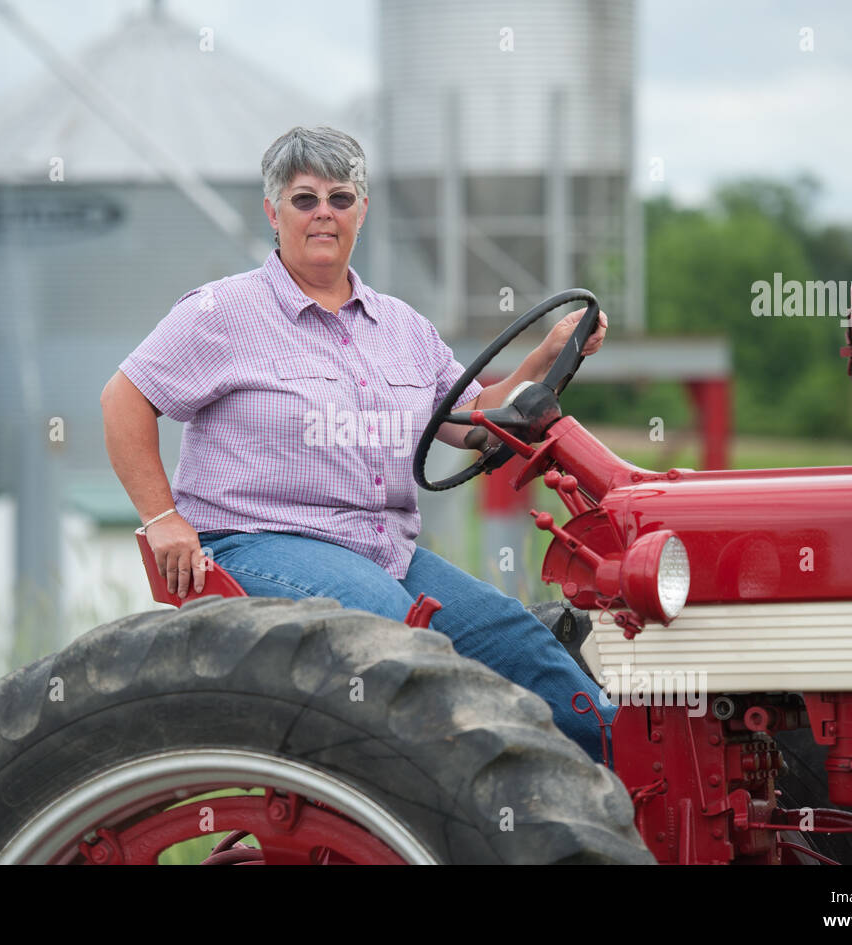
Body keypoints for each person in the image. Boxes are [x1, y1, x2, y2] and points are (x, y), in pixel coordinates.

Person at [101, 126, 613, 759]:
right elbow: (124, 399)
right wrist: (161, 518)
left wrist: (544, 356)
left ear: (362, 211)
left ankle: (625, 803)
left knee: (524, 647)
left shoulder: (402, 327)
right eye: (304, 198)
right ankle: (436, 817)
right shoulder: (223, 313)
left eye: (340, 198)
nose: (324, 213)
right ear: (273, 212)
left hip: (384, 551)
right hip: (257, 539)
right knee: (396, 638)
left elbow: (474, 419)